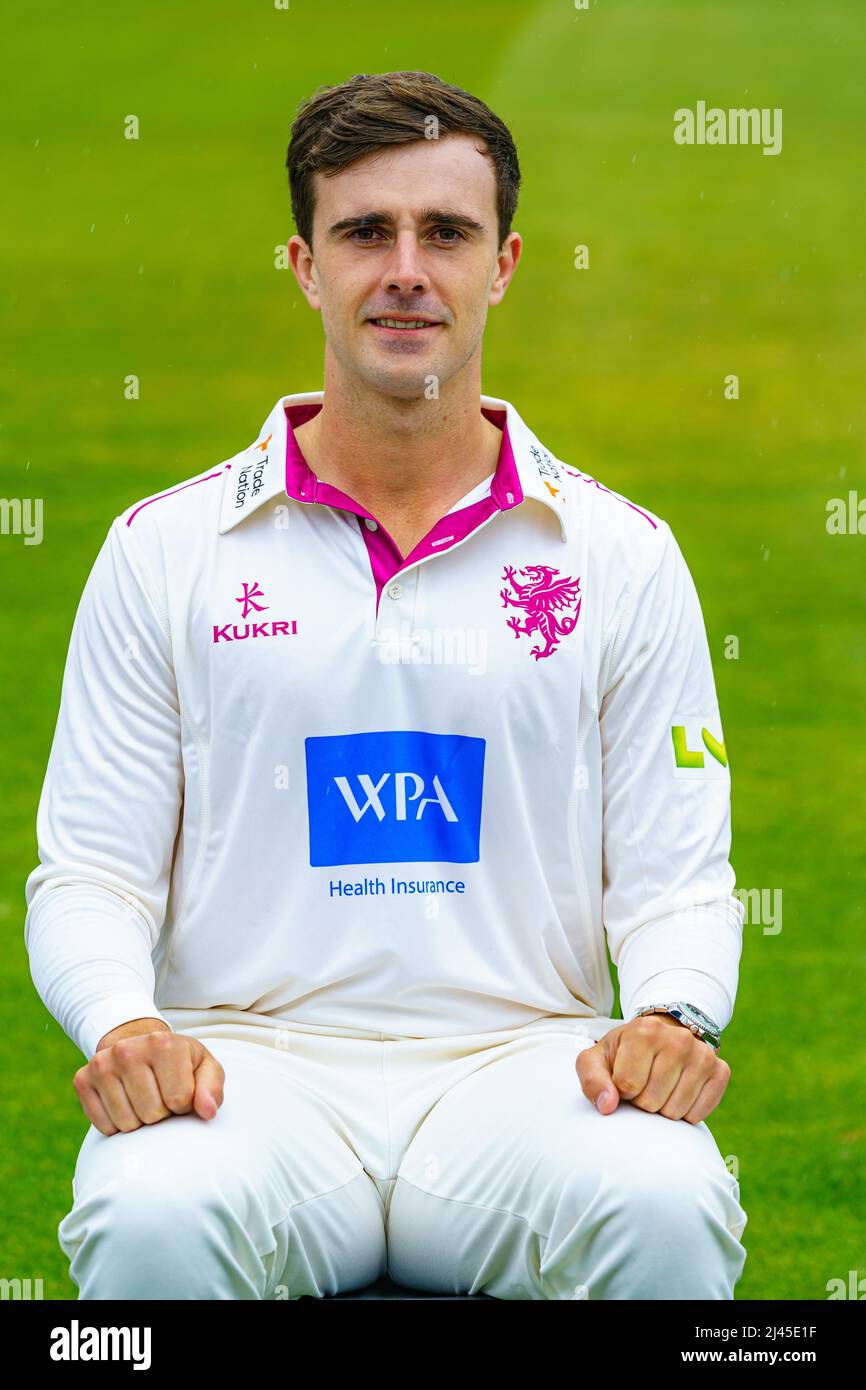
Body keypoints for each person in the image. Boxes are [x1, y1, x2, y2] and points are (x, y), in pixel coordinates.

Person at [24, 69, 748, 1301]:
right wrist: (124, 1024)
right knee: (149, 1216)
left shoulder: (624, 554)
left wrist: (673, 1015)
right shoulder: (164, 549)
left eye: (445, 233)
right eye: (365, 232)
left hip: (527, 1067)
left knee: (665, 1199)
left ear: (503, 263)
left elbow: (680, 875)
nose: (405, 269)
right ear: (304, 264)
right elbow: (87, 869)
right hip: (248, 1073)